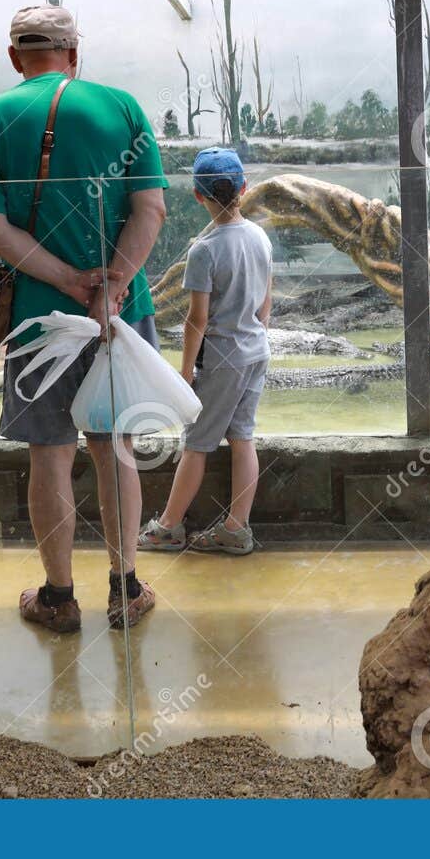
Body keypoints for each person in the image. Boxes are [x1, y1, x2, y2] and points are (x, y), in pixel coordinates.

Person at [0, 4, 168, 632]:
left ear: (13, 57)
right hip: (120, 318)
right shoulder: (121, 108)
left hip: (35, 321)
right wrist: (110, 288)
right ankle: (125, 588)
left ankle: (58, 597)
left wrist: (65, 281)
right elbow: (149, 209)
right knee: (117, 452)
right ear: (74, 54)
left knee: (50, 457)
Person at [139, 148, 272, 556]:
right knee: (242, 437)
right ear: (244, 189)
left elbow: (197, 320)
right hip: (255, 351)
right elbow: (266, 303)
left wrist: (185, 372)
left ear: (198, 195)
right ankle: (235, 529)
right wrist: (253, 336)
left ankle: (169, 527)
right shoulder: (259, 236)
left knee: (196, 442)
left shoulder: (205, 249)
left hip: (222, 357)